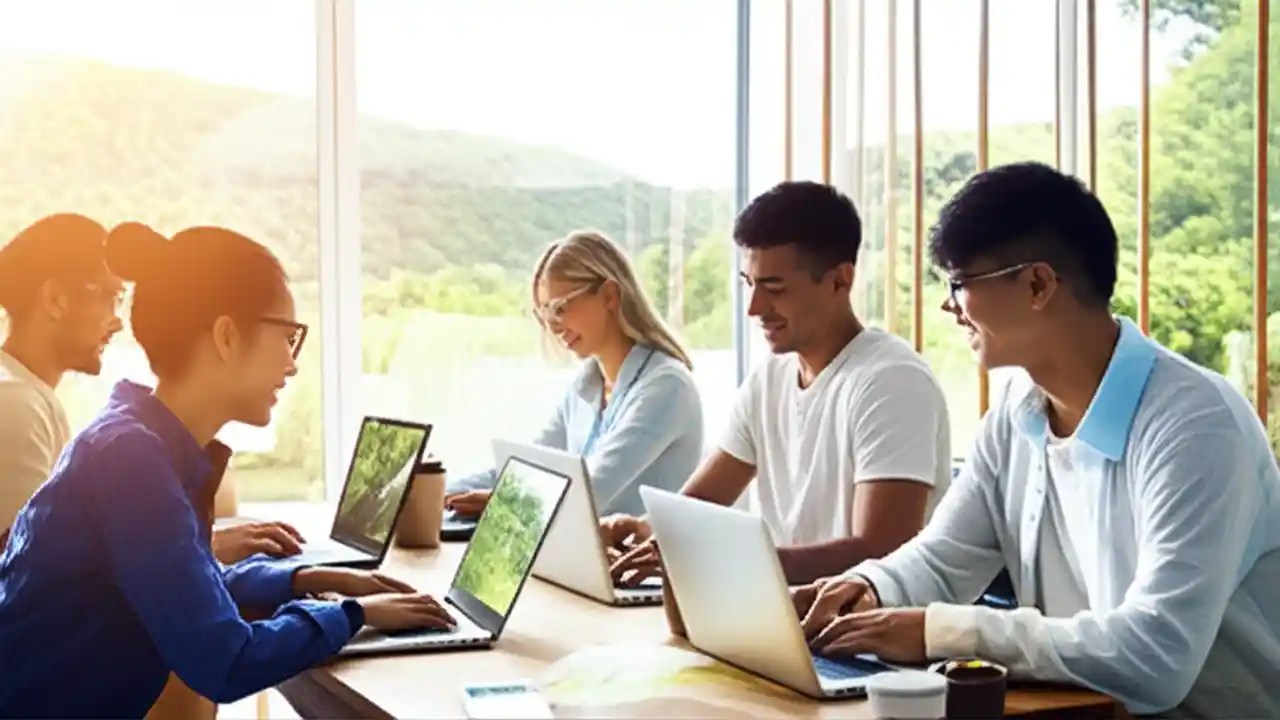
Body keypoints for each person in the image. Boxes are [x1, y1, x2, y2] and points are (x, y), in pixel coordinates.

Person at [794, 163, 1280, 718]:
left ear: (1038, 284)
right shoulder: (1016, 411)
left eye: (960, 283)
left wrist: (944, 631)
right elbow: (948, 555)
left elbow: (1157, 654)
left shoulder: (1194, 425)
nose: (950, 307)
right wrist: (867, 587)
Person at [0, 222, 455, 717]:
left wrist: (304, 578)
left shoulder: (136, 442)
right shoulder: (131, 462)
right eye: (288, 337)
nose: (292, 364)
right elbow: (224, 658)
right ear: (226, 335)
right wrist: (349, 615)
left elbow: (182, 590)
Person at [608, 181, 950, 586]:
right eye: (748, 284)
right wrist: (639, 531)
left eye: (775, 288)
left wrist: (723, 559)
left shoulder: (892, 382)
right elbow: (696, 507)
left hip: (863, 638)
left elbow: (882, 550)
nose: (754, 307)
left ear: (841, 280)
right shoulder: (769, 379)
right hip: (783, 617)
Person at [0, 213, 303, 562]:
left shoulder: (32, 398)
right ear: (55, 299)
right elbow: (30, 565)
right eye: (111, 296)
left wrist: (185, 542)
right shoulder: (19, 406)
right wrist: (185, 549)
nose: (117, 321)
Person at [444, 230, 703, 519]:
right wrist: (439, 489)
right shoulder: (586, 384)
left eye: (560, 308)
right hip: (590, 556)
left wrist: (501, 501)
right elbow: (527, 466)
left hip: (641, 561)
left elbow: (592, 490)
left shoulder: (666, 387)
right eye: (543, 314)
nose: (553, 327)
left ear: (609, 295)